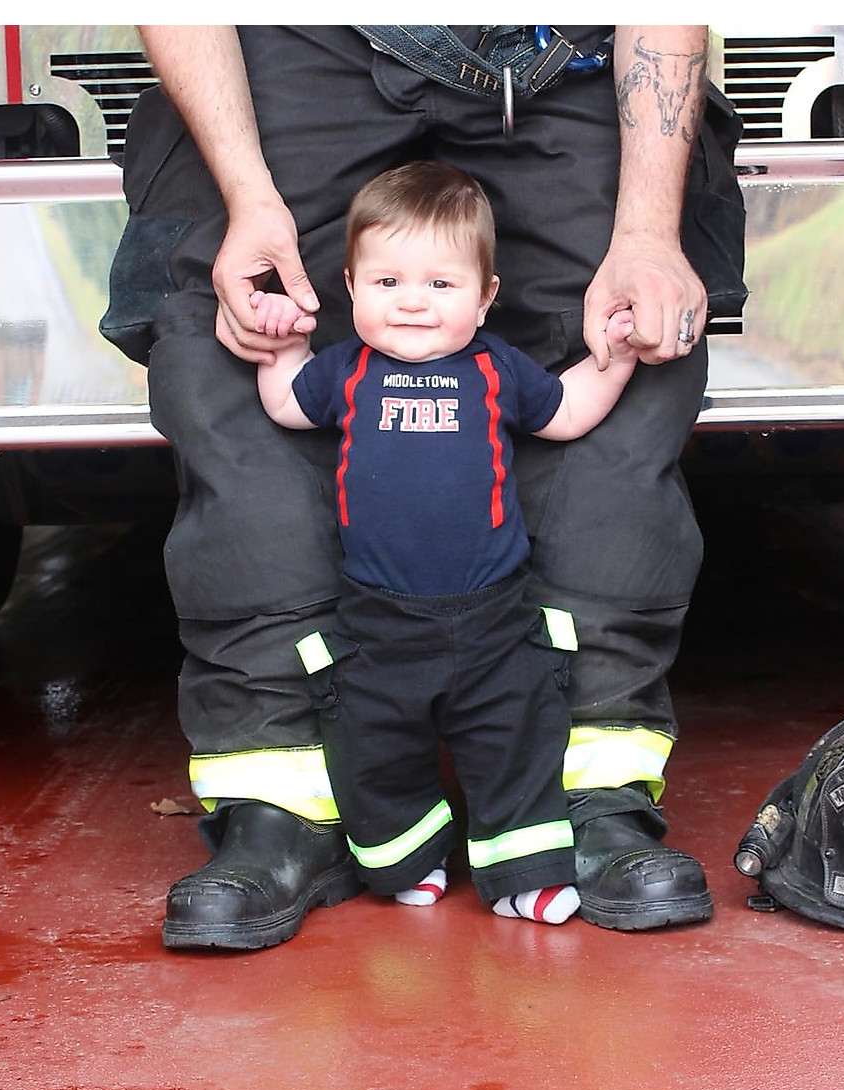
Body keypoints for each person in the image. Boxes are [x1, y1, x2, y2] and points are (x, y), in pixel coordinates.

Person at [103, 25, 746, 949]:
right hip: (291, 37)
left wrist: (645, 231)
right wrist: (248, 195)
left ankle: (586, 783)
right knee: (231, 312)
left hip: (566, 46)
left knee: (628, 316)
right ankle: (282, 799)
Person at [253, 160, 641, 925]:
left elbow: (564, 412)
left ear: (486, 297)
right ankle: (407, 858)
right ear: (352, 288)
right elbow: (287, 407)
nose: (412, 304)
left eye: (440, 285)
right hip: (377, 620)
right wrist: (281, 349)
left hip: (494, 617)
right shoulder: (345, 371)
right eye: (387, 282)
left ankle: (523, 871)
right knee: (375, 746)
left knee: (514, 737)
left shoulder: (495, 368)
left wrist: (616, 361)